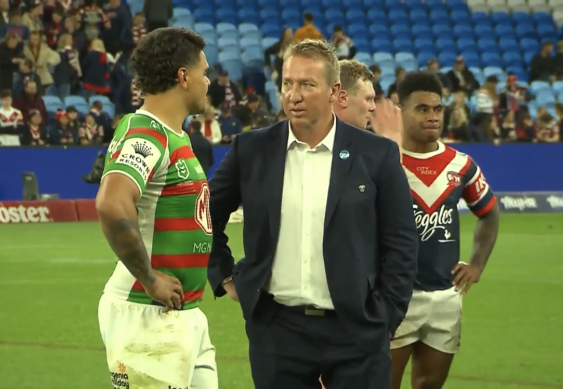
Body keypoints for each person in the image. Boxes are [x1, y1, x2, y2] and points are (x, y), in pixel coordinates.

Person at [208, 39, 418, 388]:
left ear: (335, 91)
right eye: (288, 83)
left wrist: (385, 317)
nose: (294, 94)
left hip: (358, 330)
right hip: (277, 330)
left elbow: (401, 242)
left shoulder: (376, 154)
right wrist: (225, 274)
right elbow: (205, 214)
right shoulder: (251, 149)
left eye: (307, 84)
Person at [95, 27, 218, 389]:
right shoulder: (146, 133)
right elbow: (112, 203)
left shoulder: (174, 134)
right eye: (203, 73)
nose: (207, 82)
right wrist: (149, 278)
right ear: (183, 77)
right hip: (147, 315)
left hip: (182, 314)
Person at [376, 71, 500, 389]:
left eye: (438, 109)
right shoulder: (381, 160)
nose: (433, 116)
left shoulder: (461, 165)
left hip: (446, 298)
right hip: (394, 297)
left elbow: (489, 214)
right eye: (422, 109)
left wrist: (477, 264)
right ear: (401, 112)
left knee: (430, 385)